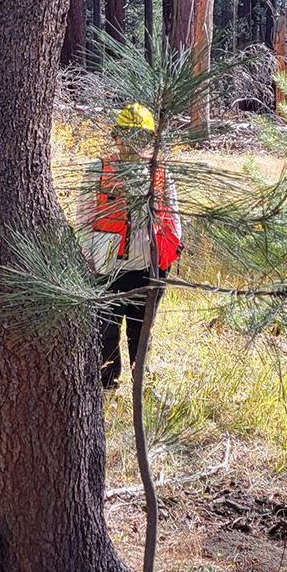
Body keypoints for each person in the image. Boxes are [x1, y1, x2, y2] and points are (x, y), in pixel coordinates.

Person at [76, 103, 182, 389]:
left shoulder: (159, 171)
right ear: (116, 135)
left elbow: (172, 217)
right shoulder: (98, 170)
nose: (134, 142)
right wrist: (89, 258)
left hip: (148, 268)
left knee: (141, 331)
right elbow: (84, 218)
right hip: (107, 269)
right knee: (107, 330)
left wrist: (167, 258)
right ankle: (108, 383)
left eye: (141, 136)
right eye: (128, 134)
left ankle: (139, 385)